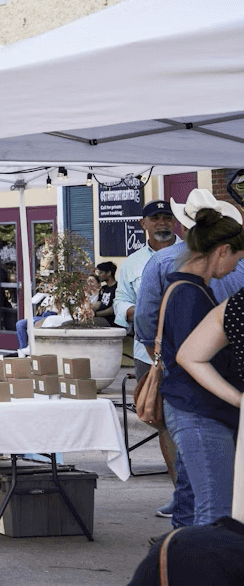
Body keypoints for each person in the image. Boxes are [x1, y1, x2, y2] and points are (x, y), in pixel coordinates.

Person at [137, 192, 239, 526]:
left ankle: (177, 560)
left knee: (191, 502)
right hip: (197, 408)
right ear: (221, 251)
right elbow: (190, 358)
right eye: (236, 258)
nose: (237, 266)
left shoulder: (183, 284)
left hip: (191, 406)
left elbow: (145, 325)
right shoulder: (190, 293)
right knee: (212, 514)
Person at [119, 202, 182, 515]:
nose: (162, 223)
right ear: (143, 223)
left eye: (167, 217)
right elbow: (121, 302)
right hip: (148, 351)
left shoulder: (192, 252)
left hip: (186, 348)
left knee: (194, 420)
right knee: (164, 423)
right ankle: (180, 494)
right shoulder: (132, 263)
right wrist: (136, 310)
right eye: (156, 218)